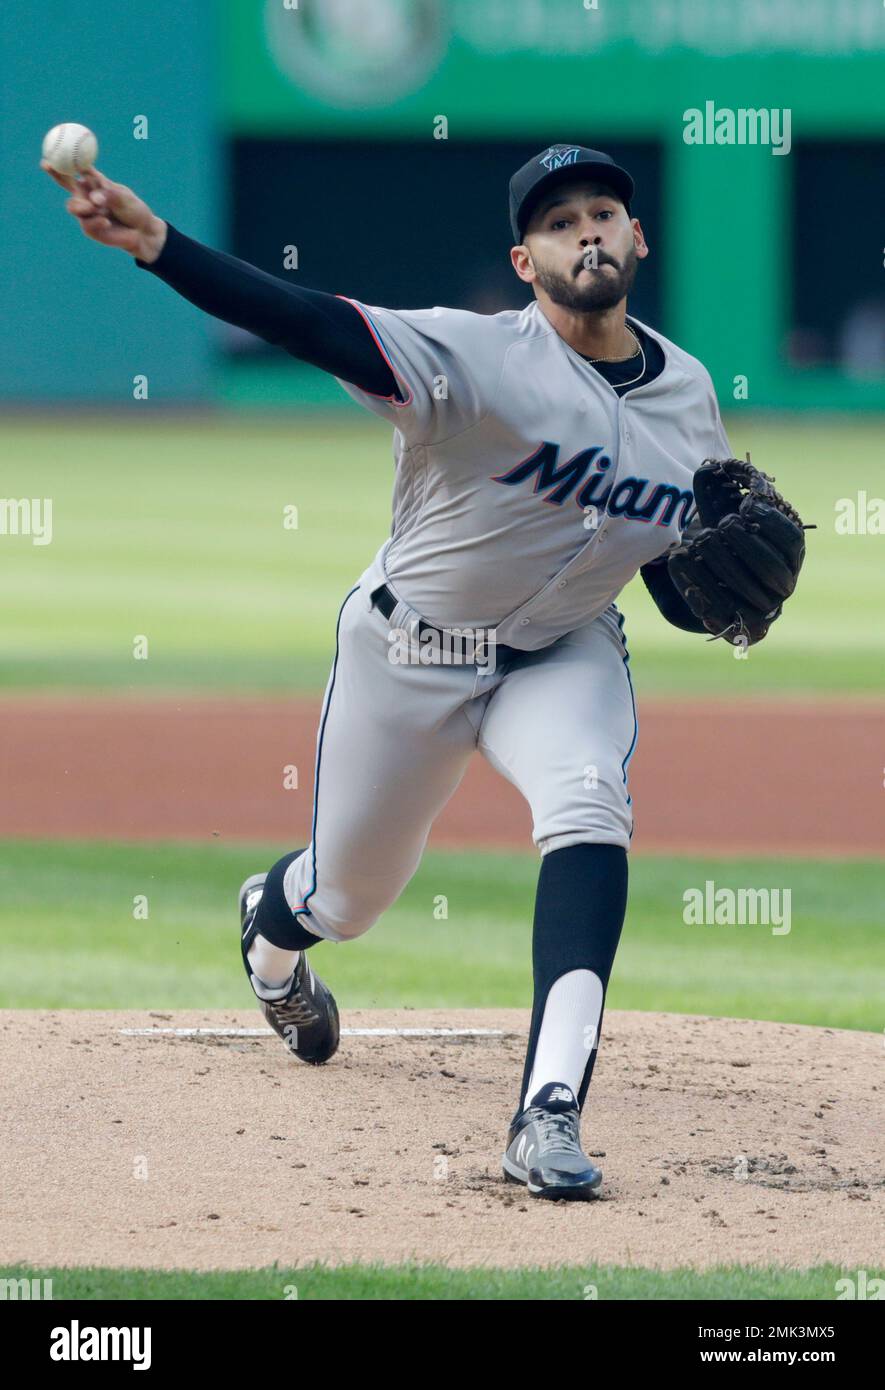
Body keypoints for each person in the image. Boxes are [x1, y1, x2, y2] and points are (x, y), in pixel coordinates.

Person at [43, 143, 728, 1201]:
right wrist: (160, 248)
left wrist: (724, 596)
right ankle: (272, 938)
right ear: (524, 259)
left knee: (590, 805)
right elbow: (315, 321)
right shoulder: (473, 358)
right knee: (348, 897)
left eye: (604, 212)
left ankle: (547, 1110)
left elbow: (683, 569)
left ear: (639, 237)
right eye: (559, 222)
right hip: (411, 651)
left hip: (564, 652)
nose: (587, 230)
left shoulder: (689, 398)